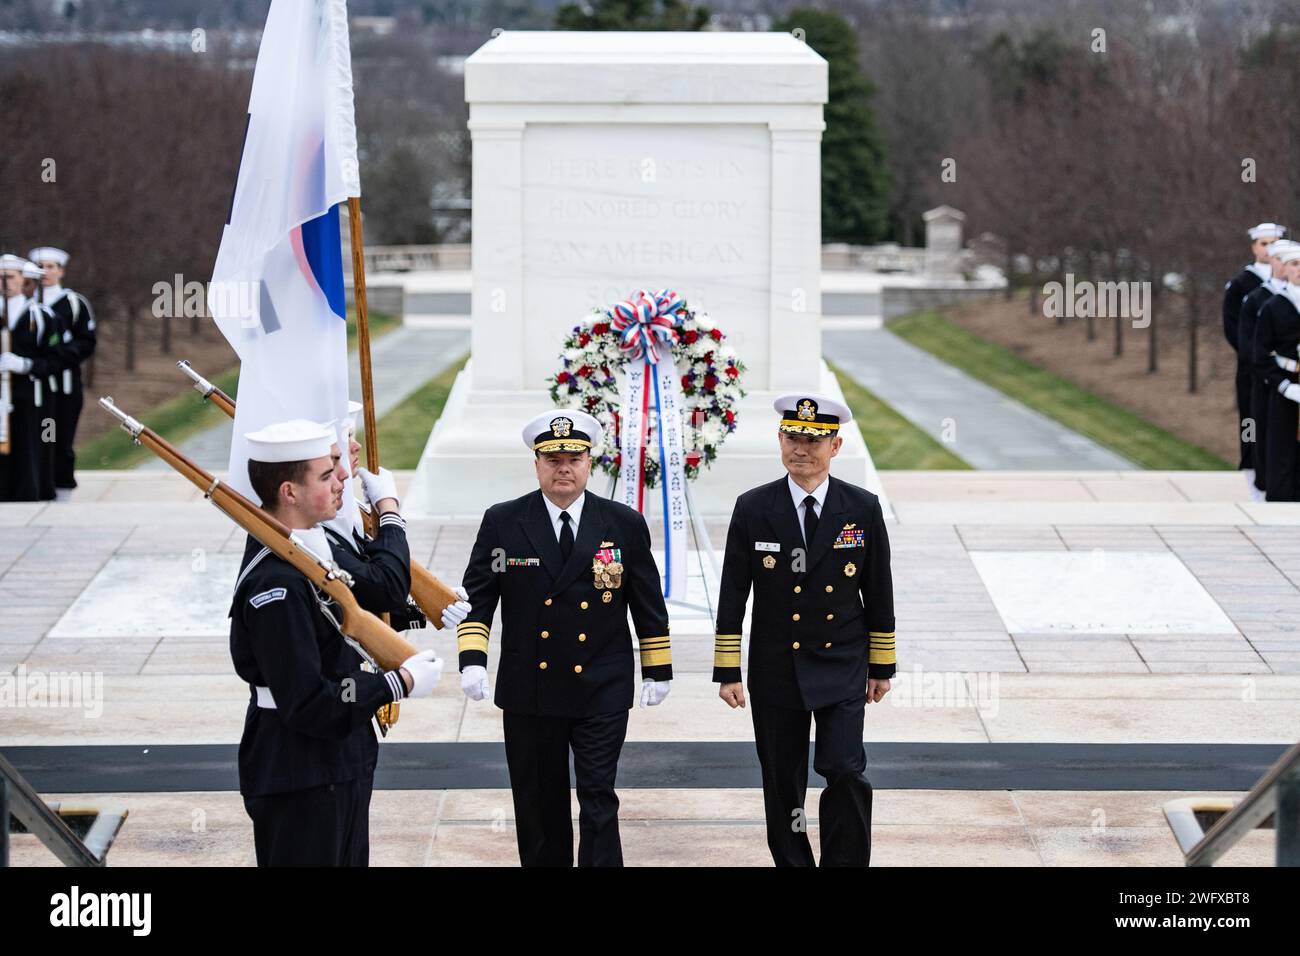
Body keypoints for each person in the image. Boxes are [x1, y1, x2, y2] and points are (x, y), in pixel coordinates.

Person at [456, 409, 673, 866]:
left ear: (590, 461)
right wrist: (472, 658)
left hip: (601, 685)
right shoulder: (504, 522)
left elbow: (647, 604)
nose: (563, 467)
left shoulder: (623, 524)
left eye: (573, 457)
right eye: (552, 457)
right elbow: (479, 598)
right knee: (538, 805)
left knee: (597, 799)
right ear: (536, 462)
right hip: (530, 689)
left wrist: (658, 669)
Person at [229, 418, 443, 866]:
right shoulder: (277, 584)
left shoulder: (309, 547)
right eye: (325, 475)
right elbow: (307, 702)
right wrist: (396, 683)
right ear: (289, 492)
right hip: (299, 770)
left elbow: (340, 622)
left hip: (337, 757)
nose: (342, 478)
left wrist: (409, 615)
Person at [713, 392, 895, 867]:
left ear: (835, 447)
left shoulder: (862, 507)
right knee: (781, 779)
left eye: (815, 440)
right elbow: (734, 593)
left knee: (845, 769)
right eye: (793, 436)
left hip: (842, 664)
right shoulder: (754, 508)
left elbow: (878, 591)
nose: (802, 448)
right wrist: (728, 670)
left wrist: (883, 665)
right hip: (777, 668)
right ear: (780, 439)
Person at [1225, 223, 1286, 495]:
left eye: (1274, 244)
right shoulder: (1242, 284)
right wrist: (1257, 357)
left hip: (1283, 370)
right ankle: (1254, 473)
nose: (1268, 249)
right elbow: (1233, 327)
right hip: (1252, 368)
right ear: (1254, 247)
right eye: (1263, 244)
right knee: (1252, 420)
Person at [29, 247, 95, 496]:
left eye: (50, 267)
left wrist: (57, 356)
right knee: (45, 436)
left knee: (61, 438)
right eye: (40, 267)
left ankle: (62, 484)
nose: (45, 272)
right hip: (37, 386)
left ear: (61, 271)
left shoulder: (73, 304)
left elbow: (86, 342)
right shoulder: (29, 305)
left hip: (64, 386)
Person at [1239, 239, 1297, 500]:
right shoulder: (1259, 300)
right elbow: (1247, 343)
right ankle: (1257, 475)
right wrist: (1282, 383)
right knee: (1255, 427)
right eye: (1293, 264)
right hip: (1265, 381)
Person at [0, 254, 57, 502]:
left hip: (26, 393)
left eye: (10, 277)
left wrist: (26, 365)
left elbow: (54, 358)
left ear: (22, 279)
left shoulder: (39, 316)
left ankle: (25, 493)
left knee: (27, 444)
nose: (5, 283)